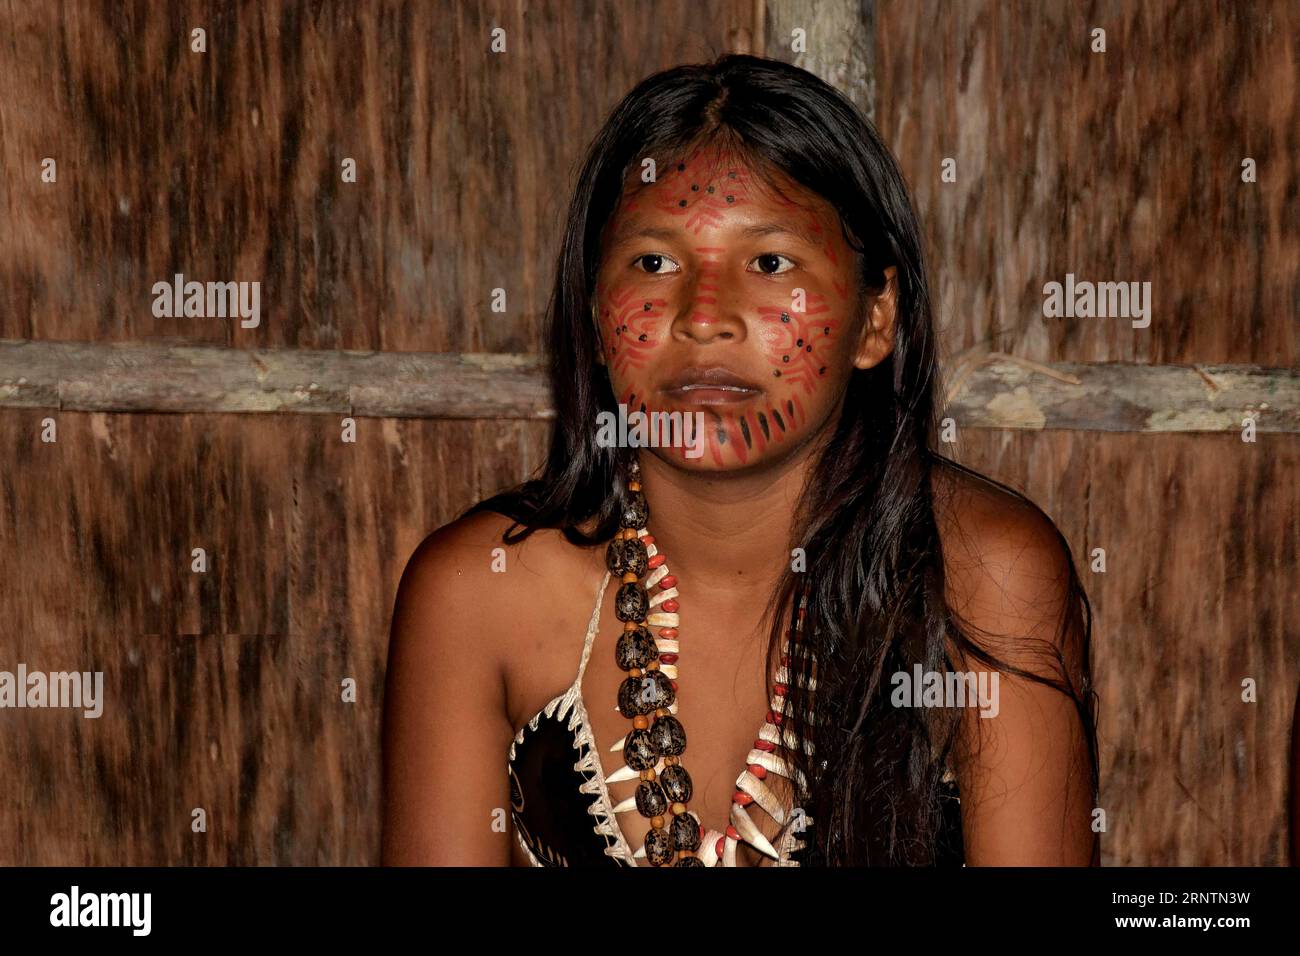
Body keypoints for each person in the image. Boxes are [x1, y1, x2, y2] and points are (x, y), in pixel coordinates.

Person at [381, 53, 1099, 867]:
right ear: (592, 314)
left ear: (875, 317)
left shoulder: (987, 579)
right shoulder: (481, 592)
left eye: (770, 263)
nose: (704, 317)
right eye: (654, 263)